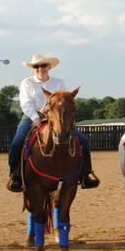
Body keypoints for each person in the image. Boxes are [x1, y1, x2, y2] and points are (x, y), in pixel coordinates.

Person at [8, 53, 99, 192]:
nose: (40, 68)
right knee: (17, 143)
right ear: (33, 68)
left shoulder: (59, 82)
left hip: (56, 117)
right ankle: (15, 175)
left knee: (83, 141)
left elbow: (63, 102)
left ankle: (86, 174)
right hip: (32, 116)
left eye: (43, 65)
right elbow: (26, 103)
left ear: (49, 67)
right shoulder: (27, 83)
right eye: (36, 66)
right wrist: (35, 118)